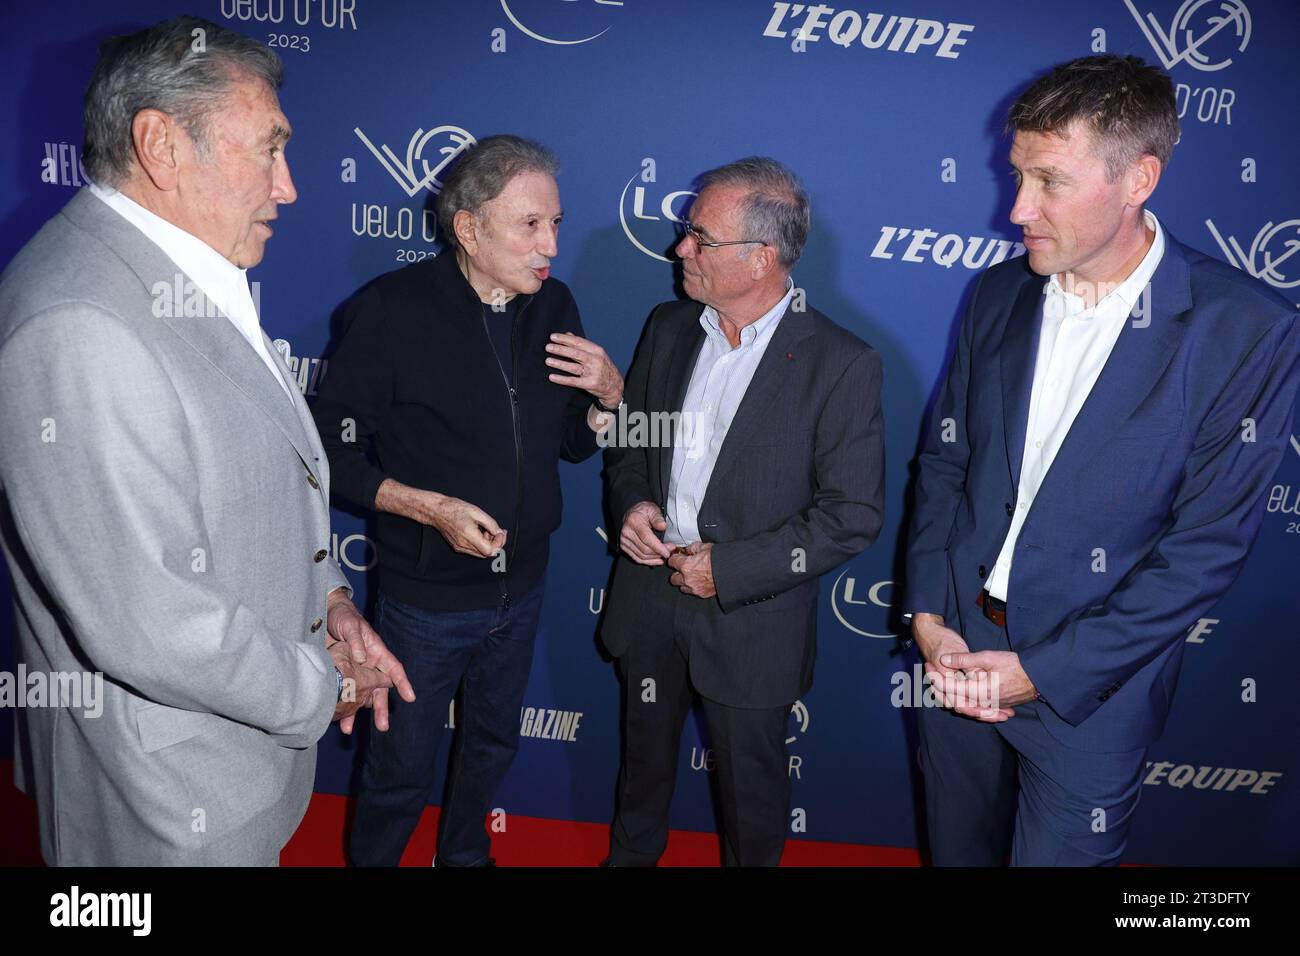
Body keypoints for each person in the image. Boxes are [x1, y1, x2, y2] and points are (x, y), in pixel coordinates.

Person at [0, 16, 413, 865]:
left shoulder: (177, 274)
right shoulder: (81, 324)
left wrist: (331, 604)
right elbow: (152, 623)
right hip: (163, 804)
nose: (289, 186)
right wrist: (325, 681)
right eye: (269, 150)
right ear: (161, 146)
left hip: (223, 773)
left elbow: (262, 486)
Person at [904, 54, 1300, 866]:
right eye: (1017, 176)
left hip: (1092, 693)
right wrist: (928, 617)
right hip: (954, 655)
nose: (1017, 208)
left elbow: (1202, 552)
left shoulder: (1245, 329)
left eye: (1049, 181)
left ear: (1138, 179)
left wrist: (1041, 674)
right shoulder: (998, 293)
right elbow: (946, 463)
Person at [312, 135, 623, 867]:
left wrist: (611, 397)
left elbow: (574, 443)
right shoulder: (389, 311)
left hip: (524, 589)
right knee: (399, 771)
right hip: (424, 602)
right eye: (530, 225)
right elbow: (328, 453)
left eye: (556, 223)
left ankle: (464, 859)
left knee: (492, 747)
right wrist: (427, 509)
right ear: (469, 228)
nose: (551, 244)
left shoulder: (556, 303)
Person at [601, 157, 885, 866]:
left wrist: (725, 570)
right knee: (639, 782)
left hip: (752, 621)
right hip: (648, 603)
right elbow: (633, 445)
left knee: (752, 809)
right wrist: (633, 502)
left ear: (761, 258)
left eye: (700, 238)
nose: (680, 250)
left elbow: (851, 514)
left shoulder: (842, 364)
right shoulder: (668, 327)